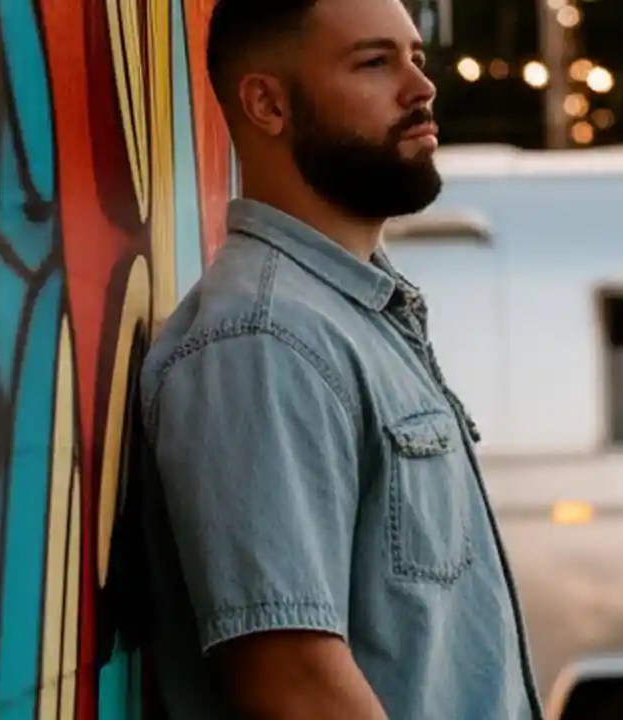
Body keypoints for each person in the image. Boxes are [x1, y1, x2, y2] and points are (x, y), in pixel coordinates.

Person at [136, 0, 542, 716]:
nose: (421, 88)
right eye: (375, 63)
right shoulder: (263, 343)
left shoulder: (351, 318)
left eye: (416, 57)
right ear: (267, 103)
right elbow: (295, 683)